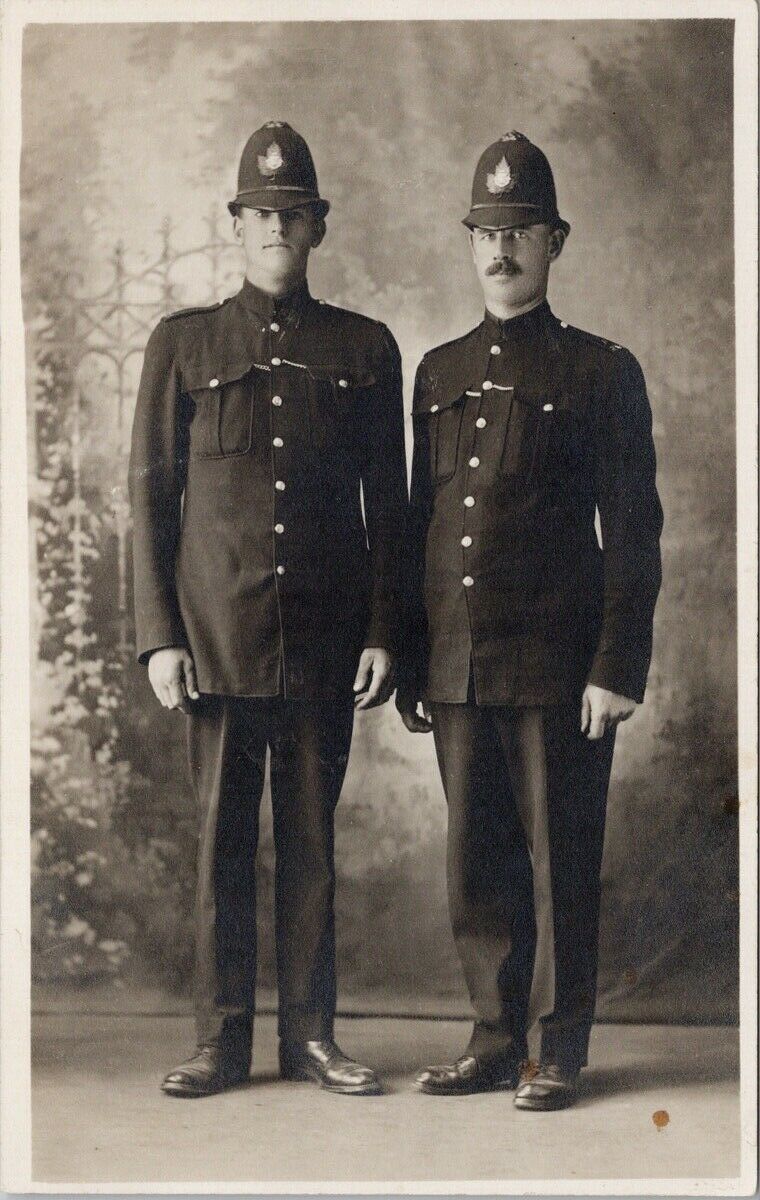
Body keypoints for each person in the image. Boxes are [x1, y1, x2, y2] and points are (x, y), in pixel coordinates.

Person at [129, 122, 407, 1098]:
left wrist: (382, 631)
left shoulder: (364, 349)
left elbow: (393, 510)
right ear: (237, 224)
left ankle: (311, 1037)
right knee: (217, 849)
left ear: (316, 228)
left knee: (313, 850)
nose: (275, 228)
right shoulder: (184, 344)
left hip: (327, 648)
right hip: (212, 643)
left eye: (293, 214)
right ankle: (220, 1041)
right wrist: (159, 638)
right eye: (260, 214)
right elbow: (150, 500)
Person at [397, 131, 663, 1110]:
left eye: (520, 231)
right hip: (460, 665)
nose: (500, 250)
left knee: (560, 866)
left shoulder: (601, 372)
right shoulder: (436, 371)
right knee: (477, 865)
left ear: (556, 241)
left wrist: (616, 663)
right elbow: (423, 523)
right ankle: (491, 1037)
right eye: (485, 232)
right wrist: (418, 654)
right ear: (470, 242)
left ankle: (558, 1047)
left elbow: (633, 531)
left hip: (559, 667)